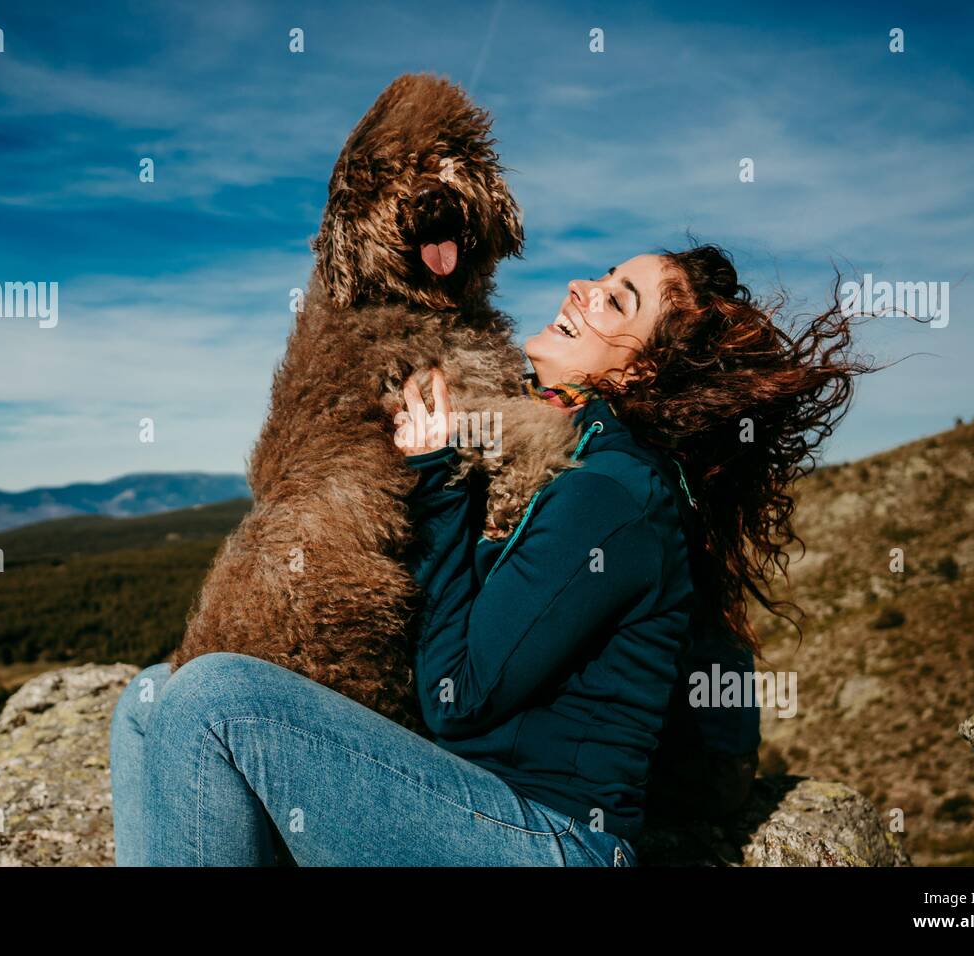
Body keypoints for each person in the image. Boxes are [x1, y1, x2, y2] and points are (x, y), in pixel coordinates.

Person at [109, 243, 868, 866]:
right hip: (478, 806)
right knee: (150, 699)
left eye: (618, 300)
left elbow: (459, 702)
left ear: (642, 371)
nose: (583, 288)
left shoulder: (613, 492)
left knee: (215, 701)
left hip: (551, 841)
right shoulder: (577, 453)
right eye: (604, 277)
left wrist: (440, 486)